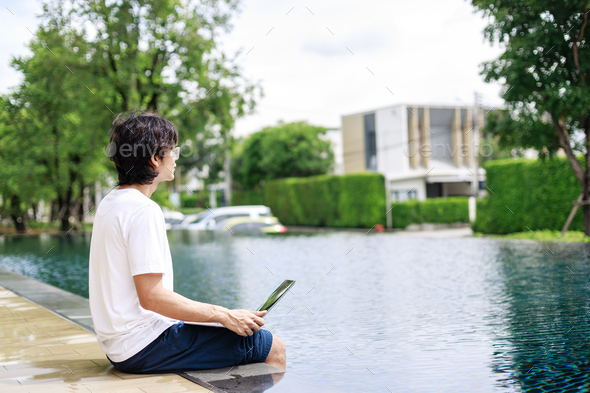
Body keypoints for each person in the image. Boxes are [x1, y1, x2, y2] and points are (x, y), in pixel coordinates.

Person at [88, 111, 286, 373]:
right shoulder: (142, 210)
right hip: (143, 346)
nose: (176, 158)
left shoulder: (111, 202)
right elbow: (152, 298)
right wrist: (224, 315)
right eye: (173, 151)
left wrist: (219, 317)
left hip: (121, 345)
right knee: (272, 346)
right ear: (155, 159)